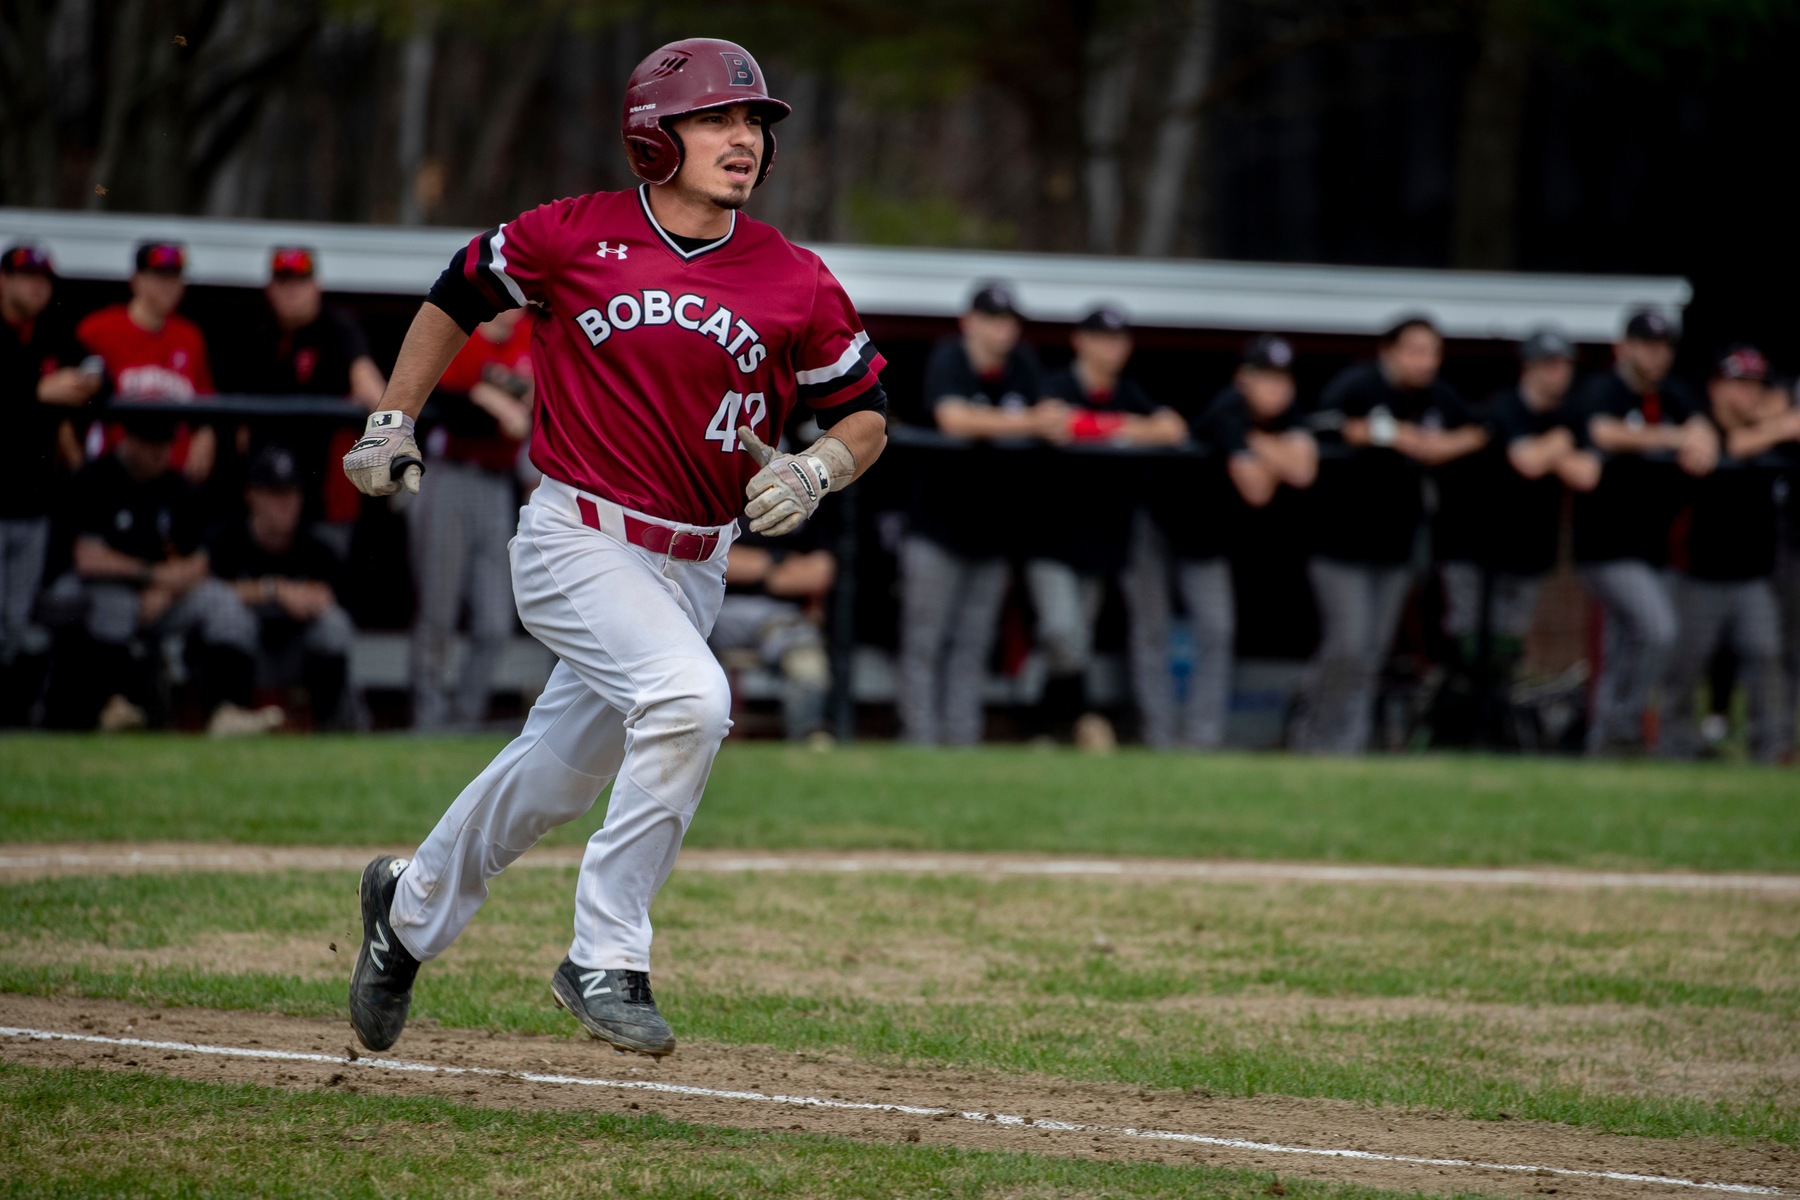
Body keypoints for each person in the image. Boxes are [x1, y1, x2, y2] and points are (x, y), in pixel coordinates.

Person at [342, 40, 889, 1059]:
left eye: (754, 124)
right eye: (717, 120)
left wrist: (819, 471)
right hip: (577, 536)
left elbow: (864, 415)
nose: (743, 141)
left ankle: (405, 913)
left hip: (696, 566)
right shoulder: (571, 234)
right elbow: (457, 293)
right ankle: (606, 955)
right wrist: (391, 420)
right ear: (655, 135)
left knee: (551, 778)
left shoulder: (796, 278)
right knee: (693, 701)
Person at [1295, 315, 1485, 754]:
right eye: (1415, 351)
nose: (1425, 362)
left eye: (1433, 352)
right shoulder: (1359, 385)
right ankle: (1313, 738)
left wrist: (1441, 446)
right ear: (1390, 351)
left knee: (1373, 652)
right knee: (1347, 644)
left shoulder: (1437, 396)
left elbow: (1481, 428)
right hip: (1339, 544)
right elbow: (1323, 422)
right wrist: (1392, 434)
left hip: (1396, 545)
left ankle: (1350, 744)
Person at [41, 410, 280, 735]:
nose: (160, 452)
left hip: (164, 595)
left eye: (166, 443)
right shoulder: (97, 478)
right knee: (115, 605)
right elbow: (87, 558)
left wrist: (166, 590)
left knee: (222, 601)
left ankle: (228, 710)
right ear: (130, 440)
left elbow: (199, 560)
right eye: (152, 443)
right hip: (99, 591)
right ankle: (111, 705)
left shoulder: (176, 486)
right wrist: (152, 576)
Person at [896, 283, 1062, 746]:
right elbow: (954, 418)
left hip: (993, 532)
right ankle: (921, 743)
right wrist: (1026, 422)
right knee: (925, 641)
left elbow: (1054, 417)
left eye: (1009, 321)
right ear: (970, 320)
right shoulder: (949, 355)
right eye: (992, 319)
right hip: (937, 530)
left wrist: (1033, 420)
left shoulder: (1022, 363)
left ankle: (961, 743)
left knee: (973, 644)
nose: (1002, 330)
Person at [1135, 334, 1317, 749]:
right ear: (1244, 379)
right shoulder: (1227, 408)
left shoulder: (1290, 414)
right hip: (1162, 522)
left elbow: (1304, 472)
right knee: (1152, 631)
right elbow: (1258, 489)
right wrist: (1276, 454)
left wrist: (1261, 447)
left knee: (1217, 631)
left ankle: (1202, 739)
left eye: (1283, 381)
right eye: (1266, 379)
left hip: (1209, 537)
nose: (1276, 390)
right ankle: (1159, 738)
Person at [1027, 305, 1184, 750]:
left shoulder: (1130, 391)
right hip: (1051, 533)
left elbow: (1172, 429)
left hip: (1102, 537)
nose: (1111, 349)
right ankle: (1085, 718)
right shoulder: (1056, 383)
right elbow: (1054, 423)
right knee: (1062, 632)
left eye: (1118, 340)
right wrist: (1126, 430)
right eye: (1102, 338)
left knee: (1074, 640)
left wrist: (1107, 426)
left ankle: (1046, 729)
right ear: (1081, 341)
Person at [1430, 328, 1599, 742]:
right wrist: (1560, 446)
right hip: (1474, 546)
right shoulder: (1503, 407)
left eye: (1563, 366)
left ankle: (1495, 727)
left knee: (1509, 647)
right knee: (1468, 643)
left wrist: (1551, 448)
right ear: (1529, 366)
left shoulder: (1572, 414)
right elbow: (1526, 462)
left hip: (1529, 550)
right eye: (1548, 365)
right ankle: (1451, 725)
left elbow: (1587, 474)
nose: (1557, 374)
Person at [1570, 307, 1717, 754]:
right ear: (1625, 347)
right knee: (1658, 630)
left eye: (1663, 347)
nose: (1656, 356)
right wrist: (1672, 438)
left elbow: (1704, 432)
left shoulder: (1675, 395)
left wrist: (1702, 442)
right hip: (1605, 546)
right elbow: (1602, 430)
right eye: (1647, 346)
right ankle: (1622, 723)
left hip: (1655, 547)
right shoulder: (1602, 388)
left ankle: (1605, 742)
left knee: (1624, 645)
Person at [1660, 346, 1797, 762]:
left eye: (1755, 386)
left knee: (1766, 654)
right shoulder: (1700, 429)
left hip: (1753, 577)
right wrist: (1777, 426)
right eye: (1739, 384)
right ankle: (1675, 742)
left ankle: (1771, 745)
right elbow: (1732, 445)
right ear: (1717, 387)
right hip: (1698, 574)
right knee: (1687, 664)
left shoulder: (1776, 439)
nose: (1748, 394)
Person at [409, 307, 534, 730]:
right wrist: (496, 400)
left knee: (496, 622)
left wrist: (503, 400)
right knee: (438, 613)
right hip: (451, 477)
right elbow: (446, 399)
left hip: (500, 484)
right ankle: (428, 724)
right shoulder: (461, 329)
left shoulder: (531, 336)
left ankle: (462, 722)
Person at [1, 243, 100, 720]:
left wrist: (87, 381)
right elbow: (31, 387)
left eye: (43, 277)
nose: (36, 286)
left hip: (32, 503)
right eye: (24, 276)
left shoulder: (51, 331)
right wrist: (35, 392)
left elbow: (100, 369)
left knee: (13, 624)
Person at [222, 247, 388, 520]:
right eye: (284, 283)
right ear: (270, 288)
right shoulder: (261, 337)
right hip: (273, 486)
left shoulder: (338, 327)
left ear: (316, 286)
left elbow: (367, 381)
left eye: (300, 282)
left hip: (326, 486)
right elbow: (240, 427)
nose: (292, 292)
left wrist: (391, 427)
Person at [205, 445, 356, 729]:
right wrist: (273, 589)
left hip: (293, 656)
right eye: (275, 493)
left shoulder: (317, 548)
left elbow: (341, 598)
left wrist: (318, 598)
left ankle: (328, 727)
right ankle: (227, 718)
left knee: (333, 625)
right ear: (252, 496)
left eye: (292, 492)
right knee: (226, 613)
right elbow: (204, 593)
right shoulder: (227, 539)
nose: (286, 503)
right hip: (239, 655)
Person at [76, 242, 218, 485]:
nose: (169, 286)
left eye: (175, 277)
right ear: (136, 280)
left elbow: (205, 404)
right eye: (160, 277)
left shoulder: (190, 337)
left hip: (173, 478)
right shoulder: (98, 330)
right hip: (115, 474)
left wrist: (206, 435)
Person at [709, 514, 835, 742]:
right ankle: (703, 739)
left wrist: (751, 568)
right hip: (717, 612)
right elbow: (709, 558)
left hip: (781, 617)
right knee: (687, 660)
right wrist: (778, 562)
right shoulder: (722, 495)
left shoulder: (803, 500)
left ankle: (805, 745)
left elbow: (819, 574)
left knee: (808, 668)